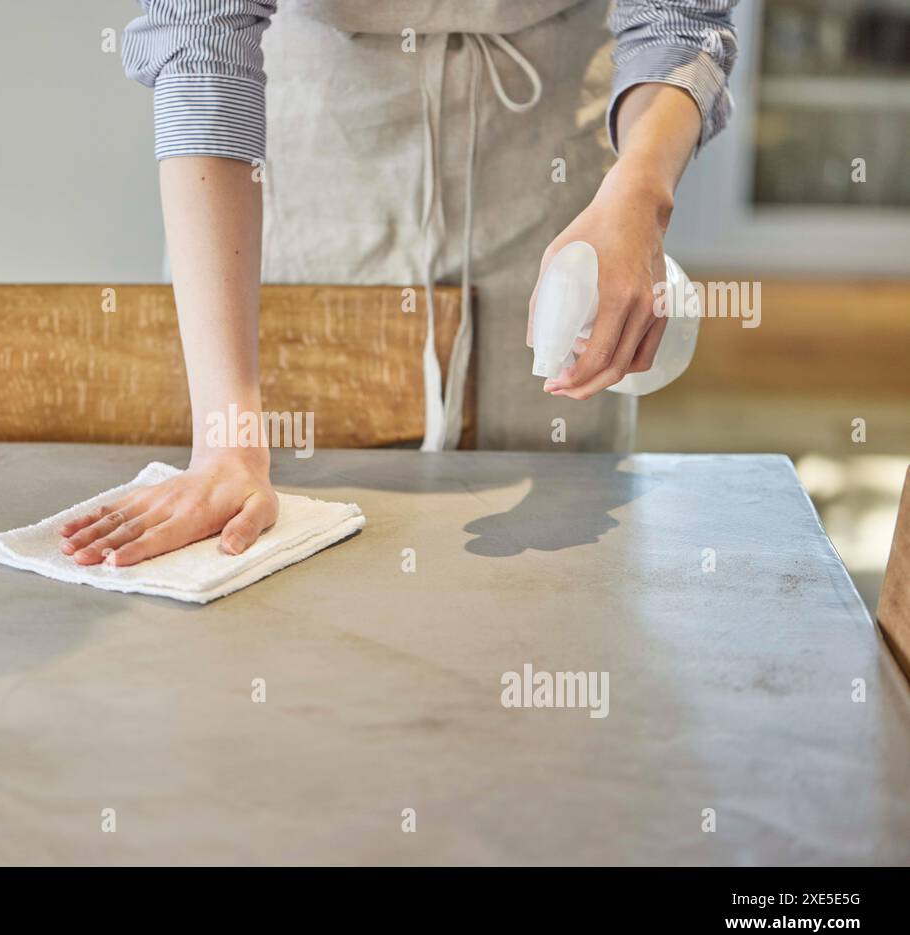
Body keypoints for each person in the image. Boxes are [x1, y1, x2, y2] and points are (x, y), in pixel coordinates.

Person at [59, 0, 738, 567]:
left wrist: (640, 191)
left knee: (553, 590)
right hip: (300, 159)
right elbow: (201, 31)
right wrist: (227, 436)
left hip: (557, 172)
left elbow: (677, 14)